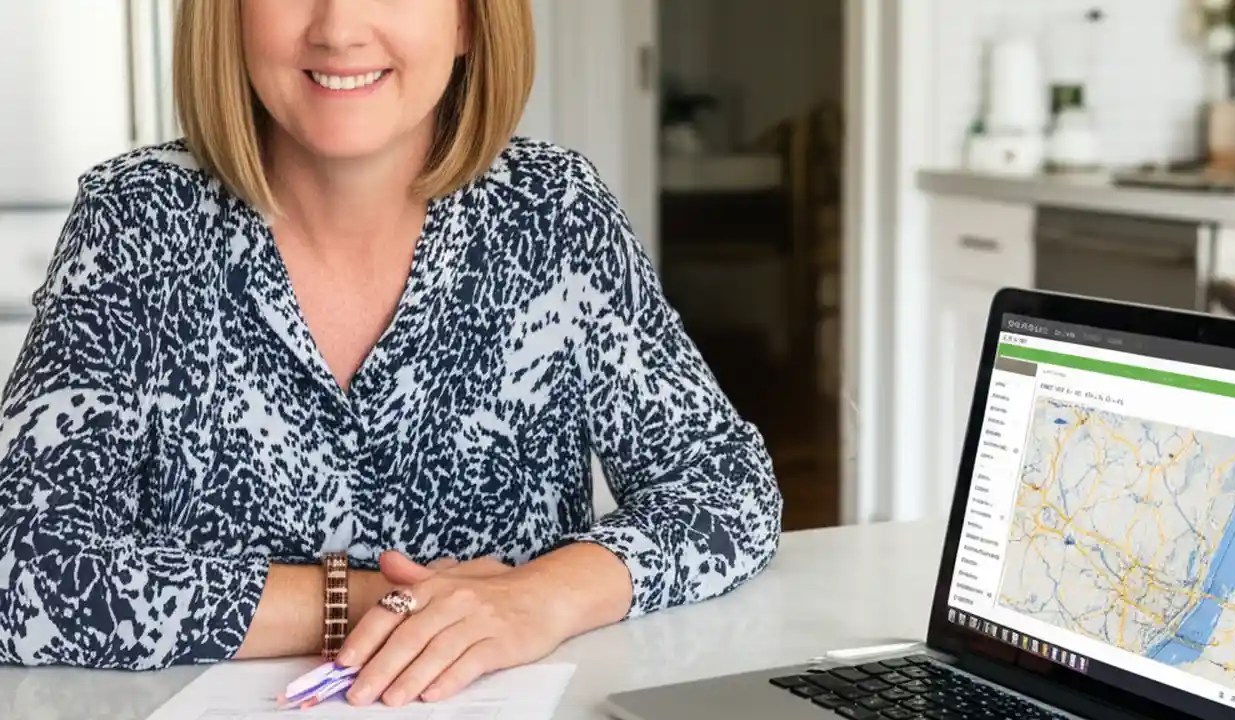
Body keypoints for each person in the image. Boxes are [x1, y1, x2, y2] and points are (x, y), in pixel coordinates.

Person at [0, 0, 782, 708]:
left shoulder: (555, 214)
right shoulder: (135, 225)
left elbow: (728, 486)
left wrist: (539, 598)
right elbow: (20, 566)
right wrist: (372, 602)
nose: (338, 28)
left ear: (469, 18)